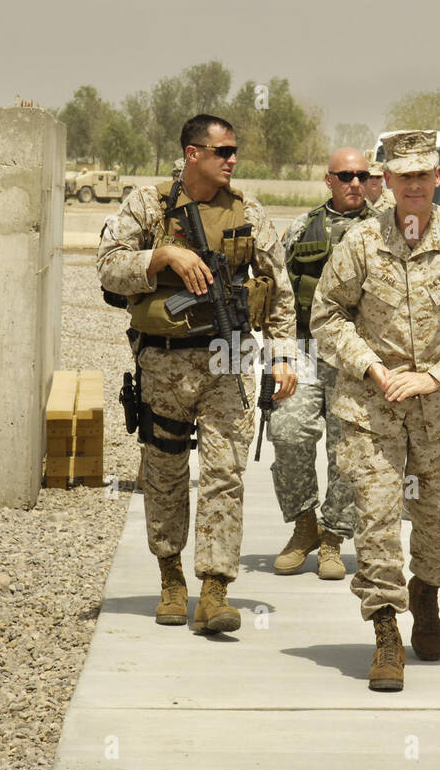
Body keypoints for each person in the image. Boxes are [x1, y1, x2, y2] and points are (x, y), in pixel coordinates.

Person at [311, 130, 440, 691]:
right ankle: (386, 631)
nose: (414, 185)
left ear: (437, 179)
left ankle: (426, 590)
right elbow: (328, 315)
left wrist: (436, 375)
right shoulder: (361, 242)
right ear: (386, 181)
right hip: (372, 408)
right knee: (374, 518)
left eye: (424, 175)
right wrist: (372, 367)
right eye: (403, 176)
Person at [97, 114, 298, 634]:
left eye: (234, 151)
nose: (232, 159)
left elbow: (278, 290)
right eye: (221, 151)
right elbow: (108, 268)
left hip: (227, 360)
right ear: (192, 153)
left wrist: (282, 356)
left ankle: (214, 589)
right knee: (163, 475)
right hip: (164, 362)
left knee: (225, 473)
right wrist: (162, 256)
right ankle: (170, 579)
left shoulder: (248, 212)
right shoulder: (148, 205)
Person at [271, 148, 376, 579]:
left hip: (360, 357)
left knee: (347, 450)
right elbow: (277, 290)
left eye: (362, 175)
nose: (356, 182)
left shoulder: (385, 229)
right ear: (328, 180)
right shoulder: (300, 229)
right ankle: (304, 525)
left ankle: (333, 537)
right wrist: (278, 355)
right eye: (346, 175)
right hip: (307, 350)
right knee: (288, 429)